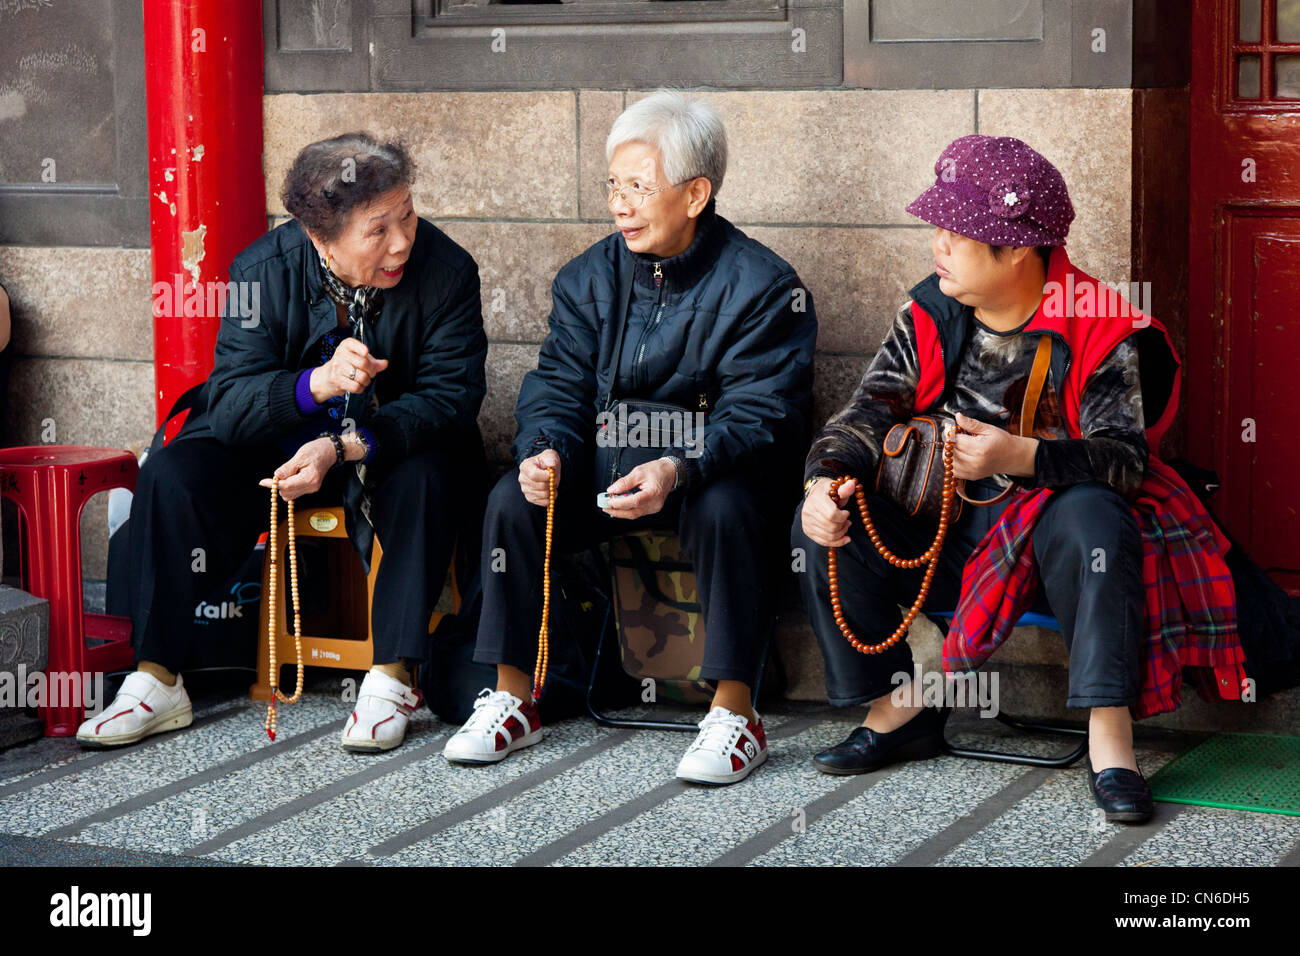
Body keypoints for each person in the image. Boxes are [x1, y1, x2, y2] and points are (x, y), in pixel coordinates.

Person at [792, 135, 1244, 823]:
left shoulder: (1100, 327)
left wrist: (1020, 456)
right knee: (822, 517)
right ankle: (901, 709)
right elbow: (862, 417)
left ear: (1017, 251)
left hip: (1047, 551)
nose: (936, 245)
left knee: (1094, 512)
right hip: (943, 536)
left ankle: (1110, 740)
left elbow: (1123, 459)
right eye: (936, 228)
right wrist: (823, 482)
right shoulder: (928, 316)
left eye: (956, 233)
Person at [442, 90, 818, 785]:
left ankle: (736, 712)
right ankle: (513, 696)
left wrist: (678, 467)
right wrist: (544, 449)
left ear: (696, 193)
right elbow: (555, 384)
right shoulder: (589, 277)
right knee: (513, 499)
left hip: (706, 476)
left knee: (729, 506)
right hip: (605, 468)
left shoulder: (764, 287)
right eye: (614, 185)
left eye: (640, 188)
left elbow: (762, 415)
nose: (620, 204)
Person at [77, 133, 489, 753]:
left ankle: (392, 676)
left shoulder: (448, 271)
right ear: (319, 238)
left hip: (387, 449)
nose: (402, 240)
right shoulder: (258, 271)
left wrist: (348, 442)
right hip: (278, 452)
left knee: (431, 471)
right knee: (174, 471)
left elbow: (450, 399)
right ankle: (158, 676)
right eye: (378, 231)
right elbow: (232, 402)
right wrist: (314, 385)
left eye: (408, 215)